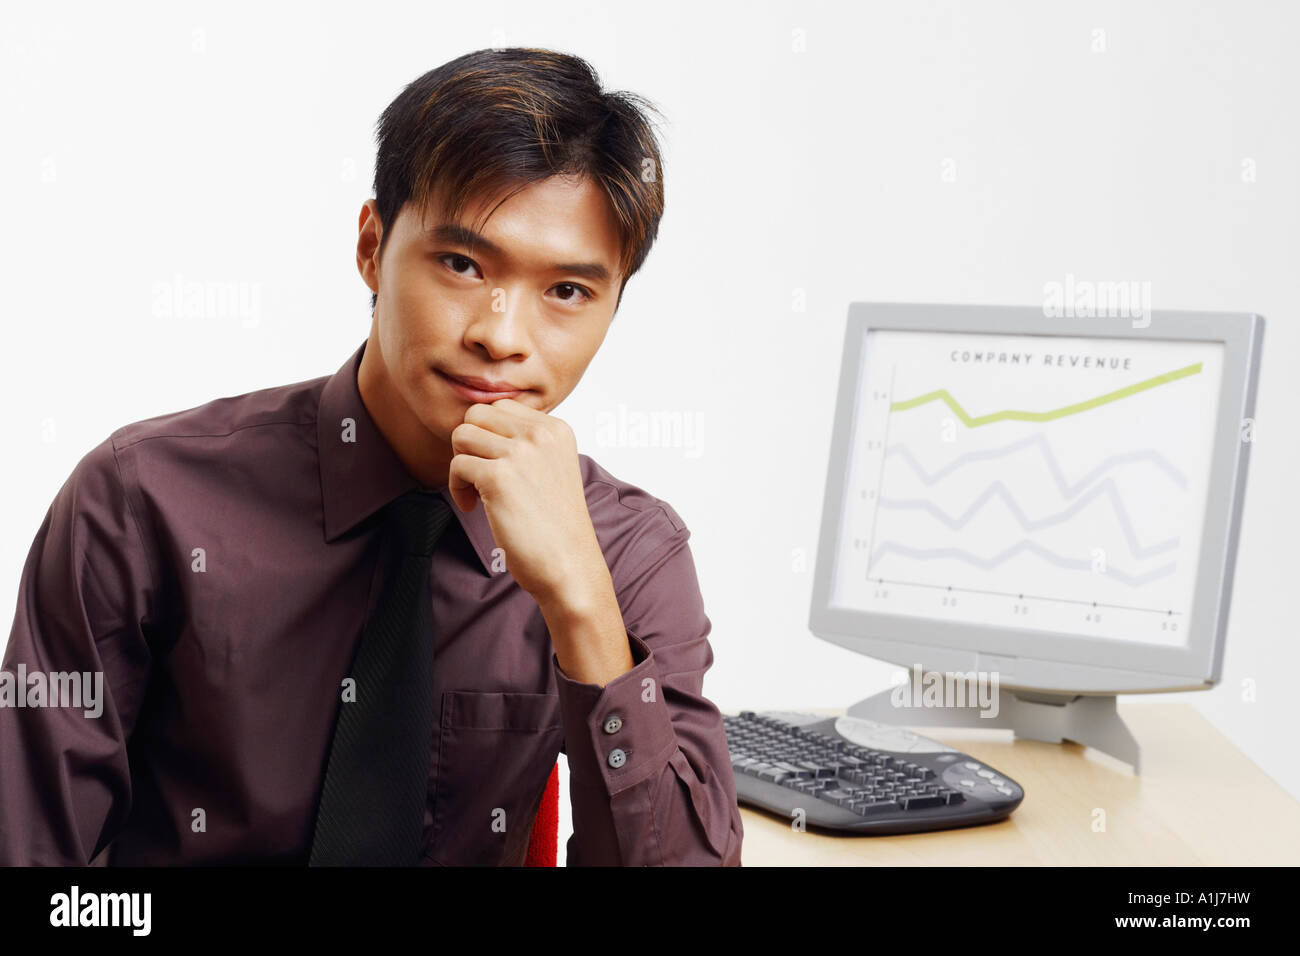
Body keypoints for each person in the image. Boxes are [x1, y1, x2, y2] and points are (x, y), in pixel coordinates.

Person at [0, 47, 743, 866]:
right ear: (371, 248)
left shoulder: (628, 553)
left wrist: (584, 613)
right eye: (462, 264)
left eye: (566, 291)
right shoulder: (139, 503)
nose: (500, 334)